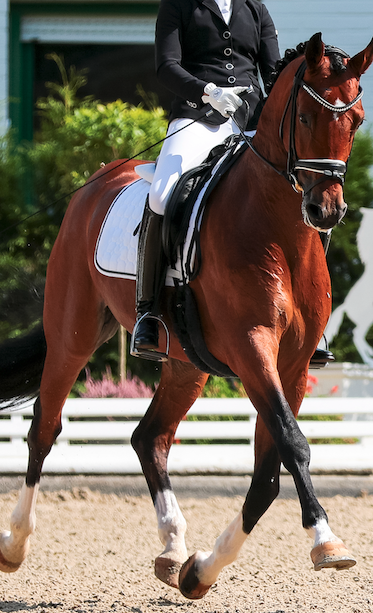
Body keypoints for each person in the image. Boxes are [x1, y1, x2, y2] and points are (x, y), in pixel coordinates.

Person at [132, 0, 280, 358]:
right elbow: (166, 66)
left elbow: (273, 71)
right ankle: (148, 311)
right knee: (163, 195)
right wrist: (208, 92)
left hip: (250, 120)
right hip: (198, 115)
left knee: (299, 191)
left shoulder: (255, 8)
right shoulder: (178, 6)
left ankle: (311, 314)